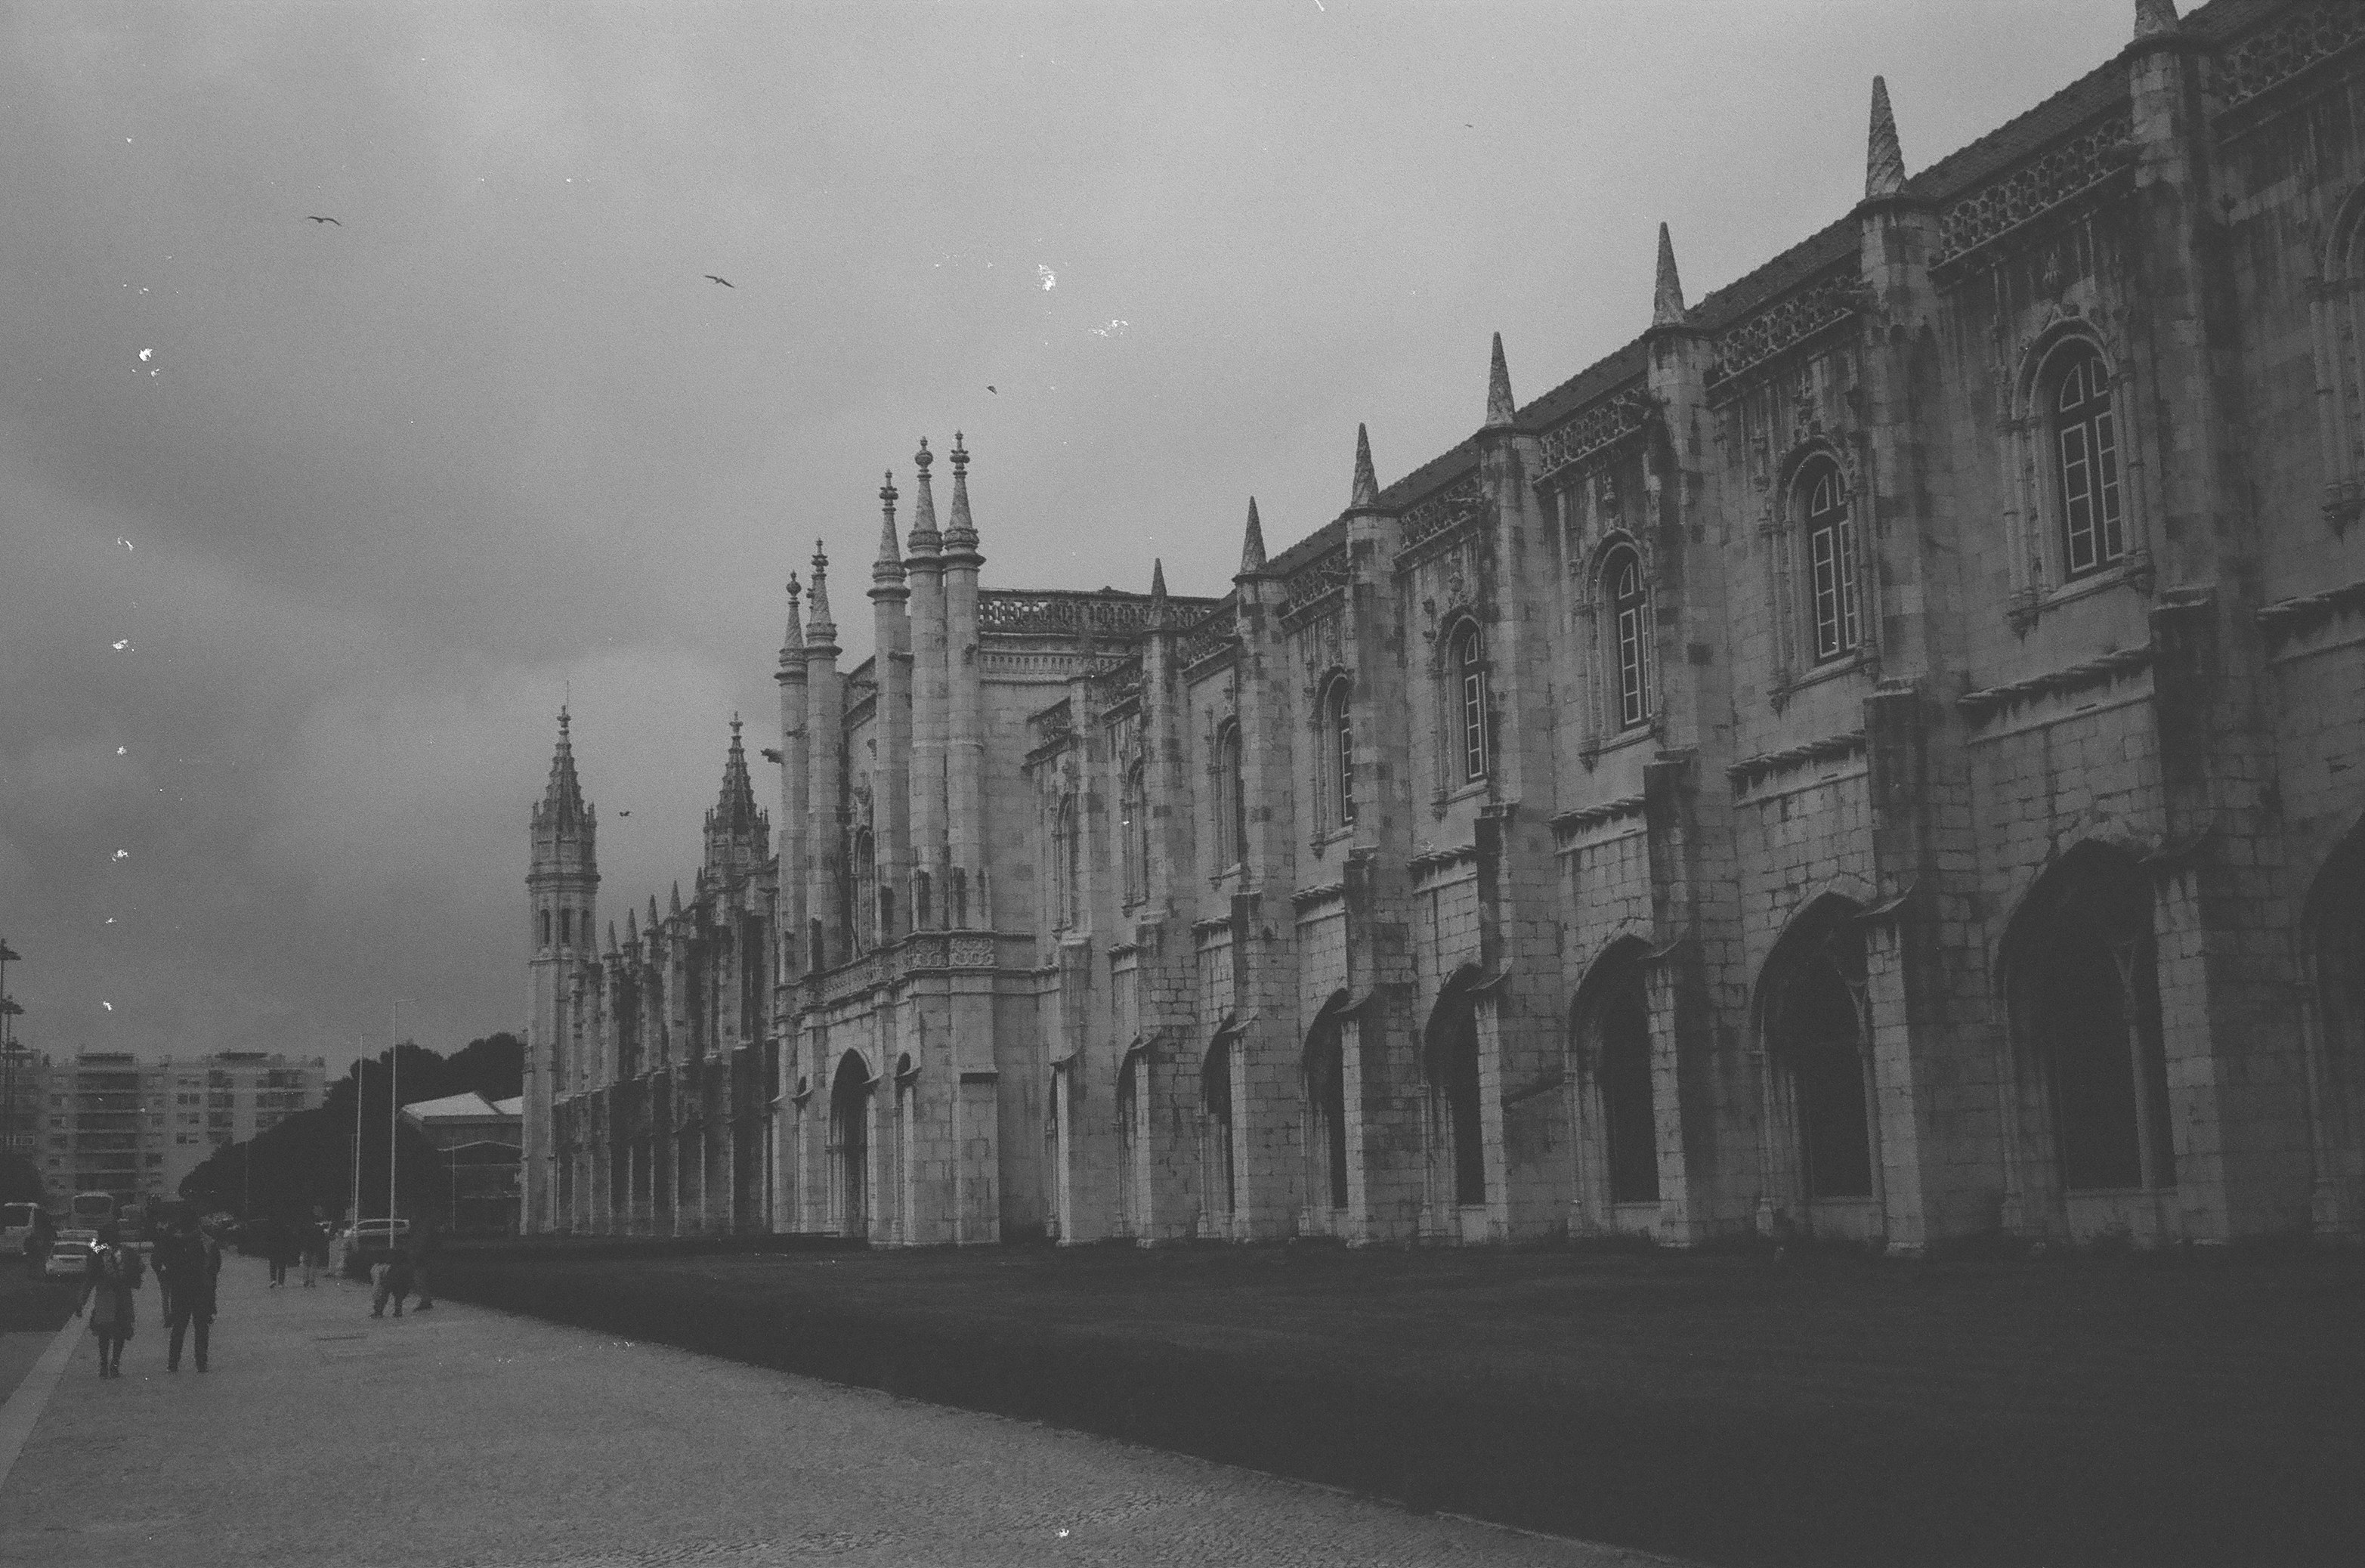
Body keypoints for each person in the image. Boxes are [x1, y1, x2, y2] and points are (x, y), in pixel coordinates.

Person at [75, 1223, 144, 1378]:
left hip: (105, 1298)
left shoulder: (98, 1253)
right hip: (121, 1297)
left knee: (105, 1334)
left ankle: (105, 1366)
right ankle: (113, 1365)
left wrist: (81, 1301)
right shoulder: (125, 1251)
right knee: (118, 1334)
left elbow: (89, 1280)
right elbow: (139, 1269)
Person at [155, 1219, 222, 1372]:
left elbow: (158, 1260)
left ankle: (173, 1363)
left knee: (179, 1327)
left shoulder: (173, 1241)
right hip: (201, 1289)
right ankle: (201, 1363)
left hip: (180, 1289)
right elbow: (215, 1266)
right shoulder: (206, 1241)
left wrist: (167, 1276)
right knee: (201, 1328)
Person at [369, 1245, 415, 1318]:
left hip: (385, 1280)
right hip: (396, 1278)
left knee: (381, 1294)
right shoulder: (402, 1267)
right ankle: (398, 1311)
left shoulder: (378, 1268)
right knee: (398, 1294)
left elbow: (377, 1284)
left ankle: (379, 1311)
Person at [407, 1219, 438, 1311]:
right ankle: (426, 1300)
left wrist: (415, 1256)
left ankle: (426, 1301)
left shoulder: (421, 1233)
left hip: (420, 1260)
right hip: (420, 1260)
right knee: (419, 1281)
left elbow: (420, 1247)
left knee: (420, 1281)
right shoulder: (421, 1233)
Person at [299, 1212, 328, 1288]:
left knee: (305, 1265)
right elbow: (323, 1238)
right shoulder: (318, 1229)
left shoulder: (304, 1228)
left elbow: (301, 1238)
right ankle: (312, 1281)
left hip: (306, 1248)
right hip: (315, 1248)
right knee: (313, 1265)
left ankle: (305, 1280)